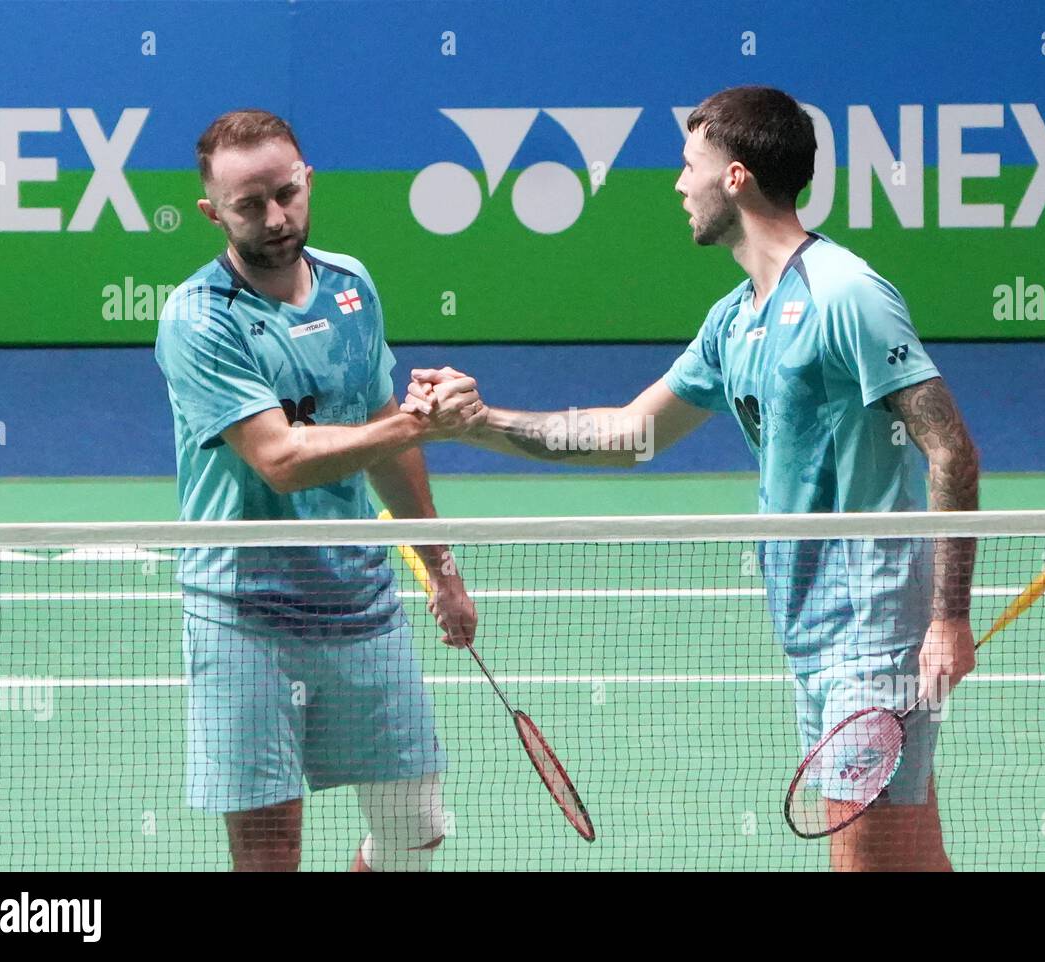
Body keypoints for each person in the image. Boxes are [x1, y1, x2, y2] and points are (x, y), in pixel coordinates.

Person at [405, 86, 980, 871]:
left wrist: (948, 619)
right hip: (809, 631)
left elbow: (949, 448)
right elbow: (626, 433)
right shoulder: (734, 320)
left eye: (688, 166)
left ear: (736, 177)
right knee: (911, 862)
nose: (678, 185)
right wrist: (480, 423)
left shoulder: (847, 296)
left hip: (873, 634)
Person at [155, 109, 486, 871]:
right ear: (213, 213)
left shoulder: (350, 286)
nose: (276, 218)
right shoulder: (199, 319)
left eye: (287, 192)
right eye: (249, 205)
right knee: (271, 851)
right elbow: (281, 458)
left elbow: (380, 441)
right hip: (245, 612)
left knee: (418, 831)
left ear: (308, 180)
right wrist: (417, 423)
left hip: (357, 597)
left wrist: (442, 571)